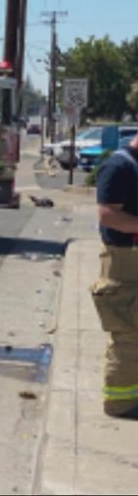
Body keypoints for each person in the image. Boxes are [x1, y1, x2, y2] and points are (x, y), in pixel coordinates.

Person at [92, 130, 138, 419]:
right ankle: (120, 404)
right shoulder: (119, 166)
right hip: (123, 261)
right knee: (128, 336)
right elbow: (108, 215)